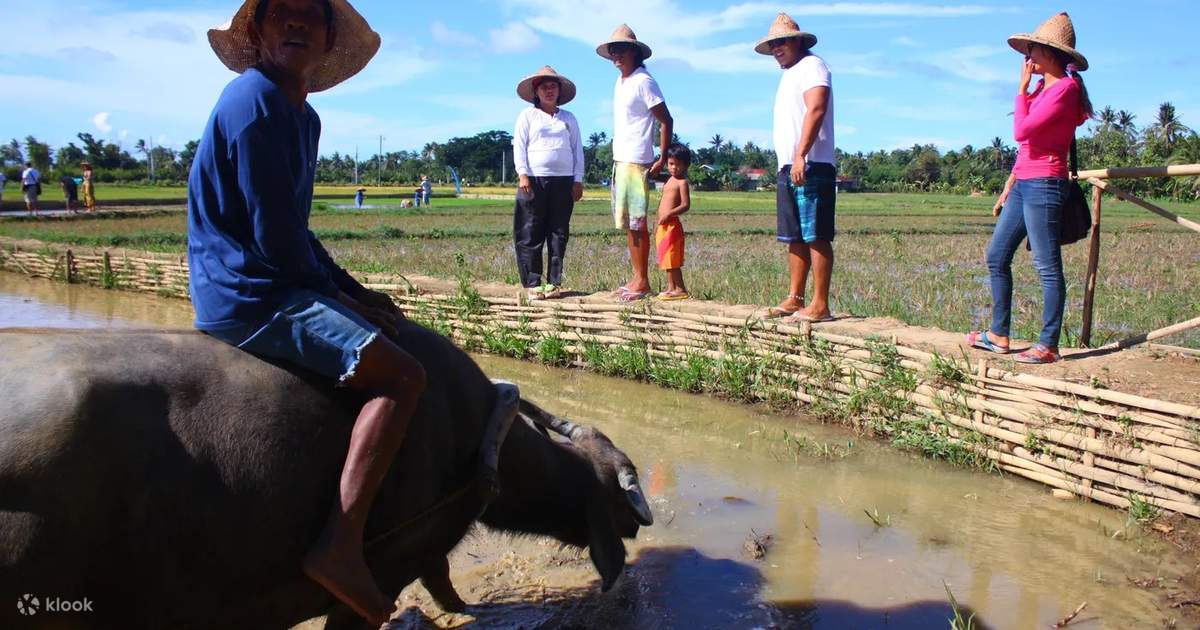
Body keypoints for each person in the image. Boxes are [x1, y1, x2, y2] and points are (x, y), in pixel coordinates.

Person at [189, 0, 424, 624]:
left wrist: (354, 289)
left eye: (309, 16)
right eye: (281, 13)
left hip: (271, 278)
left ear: (326, 37)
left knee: (381, 327)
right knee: (403, 377)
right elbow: (274, 239)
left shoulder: (302, 116)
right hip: (248, 293)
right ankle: (340, 545)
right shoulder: (254, 102)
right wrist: (340, 298)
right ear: (259, 29)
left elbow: (294, 229)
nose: (295, 23)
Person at [967, 12, 1092, 365]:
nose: (1027, 58)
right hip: (1025, 183)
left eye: (1032, 50)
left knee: (1047, 265)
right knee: (997, 255)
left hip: (1046, 184)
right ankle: (998, 334)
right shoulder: (1042, 90)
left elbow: (1021, 131)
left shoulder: (1065, 90)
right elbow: (1026, 146)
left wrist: (1020, 91)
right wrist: (1009, 185)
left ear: (1050, 53)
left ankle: (1048, 344)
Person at [757, 13, 837, 323]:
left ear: (798, 42)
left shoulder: (813, 66)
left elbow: (816, 108)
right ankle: (795, 297)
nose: (776, 49)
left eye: (782, 42)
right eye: (773, 44)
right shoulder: (789, 74)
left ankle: (820, 304)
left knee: (815, 233)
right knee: (794, 236)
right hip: (790, 164)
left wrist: (802, 154)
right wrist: (791, 159)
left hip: (811, 163)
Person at [598, 24, 673, 302]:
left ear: (635, 52)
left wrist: (662, 156)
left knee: (638, 222)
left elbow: (666, 120)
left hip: (637, 160)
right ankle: (637, 276)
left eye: (621, 50)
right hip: (621, 160)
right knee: (629, 223)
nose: (616, 55)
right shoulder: (621, 82)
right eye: (613, 50)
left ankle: (642, 281)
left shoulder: (644, 81)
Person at [511, 65, 584, 300]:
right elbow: (519, 145)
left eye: (553, 86)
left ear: (559, 90)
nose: (549, 90)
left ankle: (554, 283)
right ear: (536, 91)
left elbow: (577, 150)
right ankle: (533, 283)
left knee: (558, 232)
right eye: (544, 87)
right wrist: (523, 173)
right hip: (533, 180)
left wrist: (578, 179)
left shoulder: (568, 118)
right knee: (530, 231)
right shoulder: (527, 116)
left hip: (563, 181)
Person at [654, 144, 691, 301]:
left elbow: (685, 205)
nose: (674, 167)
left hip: (672, 225)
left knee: (672, 259)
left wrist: (669, 213)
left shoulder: (682, 183)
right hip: (663, 226)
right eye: (671, 164)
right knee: (665, 258)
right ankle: (671, 288)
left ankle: (680, 288)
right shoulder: (669, 180)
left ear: (686, 166)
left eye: (678, 164)